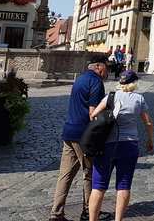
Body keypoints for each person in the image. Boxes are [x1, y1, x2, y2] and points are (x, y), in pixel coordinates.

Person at [49, 54, 111, 221]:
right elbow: (93, 113)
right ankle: (89, 211)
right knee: (89, 173)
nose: (108, 70)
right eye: (107, 66)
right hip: (83, 135)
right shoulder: (96, 82)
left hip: (69, 131)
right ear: (99, 66)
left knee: (65, 175)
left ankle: (56, 213)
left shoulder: (81, 78)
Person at [88, 70, 153, 221]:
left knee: (98, 186)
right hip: (129, 145)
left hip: (107, 146)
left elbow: (93, 115)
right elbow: (148, 123)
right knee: (123, 185)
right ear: (134, 83)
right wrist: (150, 140)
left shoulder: (110, 96)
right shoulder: (139, 98)